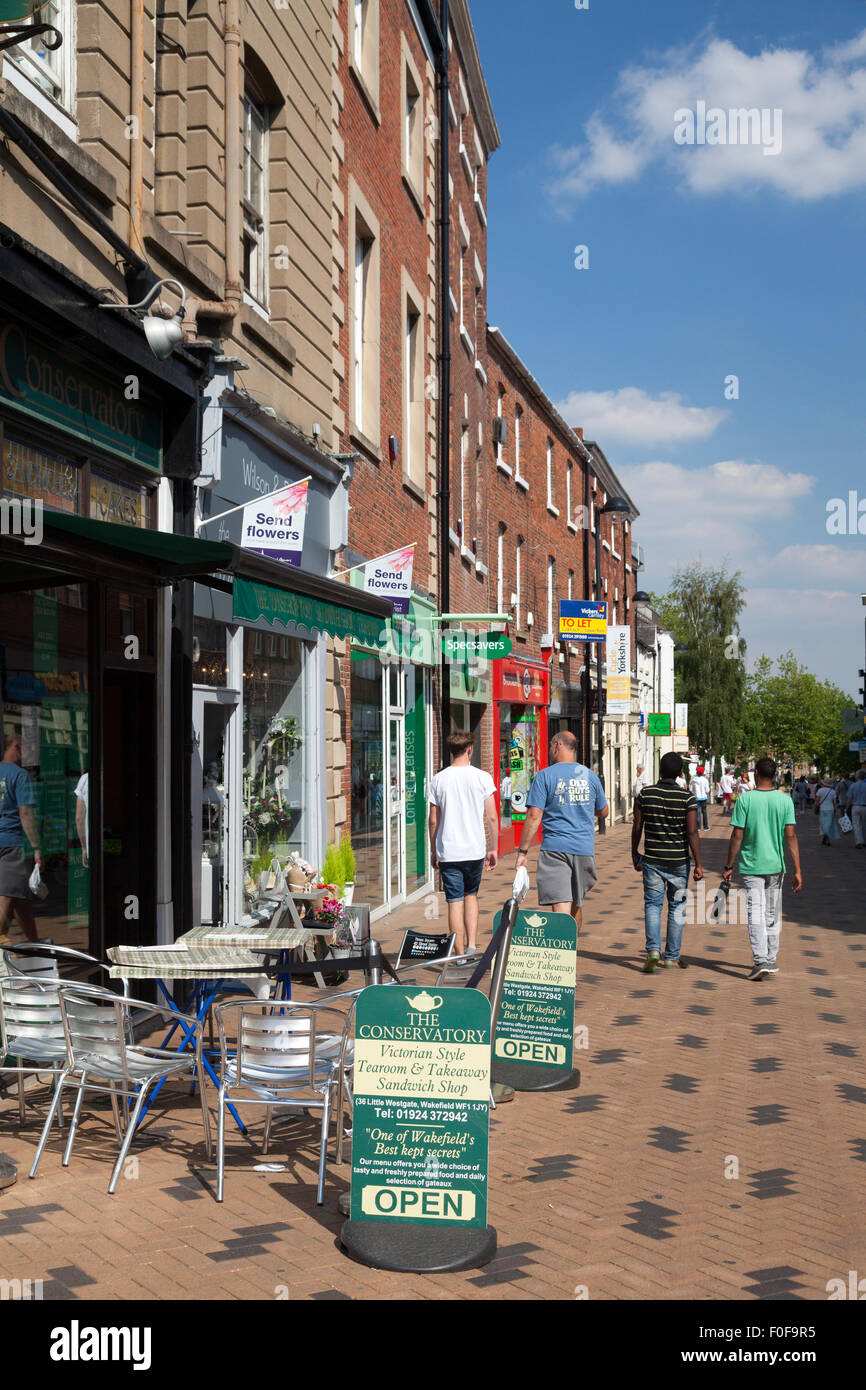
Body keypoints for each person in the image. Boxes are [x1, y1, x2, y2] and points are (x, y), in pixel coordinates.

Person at [515, 731, 607, 934]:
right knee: (575, 903)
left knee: (561, 905)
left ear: (557, 745)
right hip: (584, 849)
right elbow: (604, 811)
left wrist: (522, 852)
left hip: (555, 849)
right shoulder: (590, 776)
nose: (549, 750)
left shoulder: (545, 776)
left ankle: (562, 961)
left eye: (550, 745)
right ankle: (569, 957)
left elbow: (533, 816)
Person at [724, 755, 802, 981]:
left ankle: (760, 960)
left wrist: (729, 865)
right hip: (777, 865)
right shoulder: (785, 801)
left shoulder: (745, 800)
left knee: (755, 912)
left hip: (751, 865)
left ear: (756, 774)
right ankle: (771, 957)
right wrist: (797, 869)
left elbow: (737, 835)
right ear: (774, 775)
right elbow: (791, 836)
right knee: (772, 912)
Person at [428, 730, 497, 956]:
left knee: (454, 901)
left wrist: (433, 850)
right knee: (471, 895)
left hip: (449, 851)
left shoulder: (438, 779)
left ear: (451, 751)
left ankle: (458, 955)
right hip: (474, 850)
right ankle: (472, 945)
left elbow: (433, 820)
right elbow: (492, 817)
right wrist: (493, 848)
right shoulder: (482, 777)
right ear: (469, 750)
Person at [632, 751, 703, 972]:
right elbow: (692, 833)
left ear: (660, 770)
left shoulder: (646, 794)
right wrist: (699, 863)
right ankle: (671, 957)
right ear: (681, 772)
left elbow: (637, 826)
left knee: (653, 905)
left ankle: (653, 950)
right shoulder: (687, 797)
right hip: (679, 861)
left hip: (652, 859)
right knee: (677, 908)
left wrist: (634, 852)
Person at [0, 733, 44, 946]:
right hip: (12, 843)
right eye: (26, 748)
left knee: (19, 898)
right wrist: (36, 847)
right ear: (16, 747)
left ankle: (34, 946)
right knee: (7, 897)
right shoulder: (20, 775)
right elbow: (25, 813)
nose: (28, 753)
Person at [814, 778, 839, 846]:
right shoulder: (833, 792)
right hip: (830, 809)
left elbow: (817, 801)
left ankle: (825, 837)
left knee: (823, 824)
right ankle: (826, 838)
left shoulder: (820, 790)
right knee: (829, 824)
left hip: (822, 809)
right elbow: (835, 803)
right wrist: (836, 811)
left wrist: (815, 807)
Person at [845, 770, 866, 848]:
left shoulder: (853, 786)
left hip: (855, 806)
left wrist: (846, 808)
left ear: (857, 777)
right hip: (865, 807)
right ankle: (864, 841)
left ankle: (859, 842)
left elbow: (849, 798)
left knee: (856, 824)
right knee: (864, 824)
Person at [689, 764, 710, 831]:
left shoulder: (693, 780)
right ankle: (705, 827)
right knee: (704, 812)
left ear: (697, 772)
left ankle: (698, 827)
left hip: (696, 798)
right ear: (703, 772)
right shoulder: (705, 780)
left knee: (697, 813)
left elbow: (691, 789)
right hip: (704, 797)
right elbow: (707, 790)